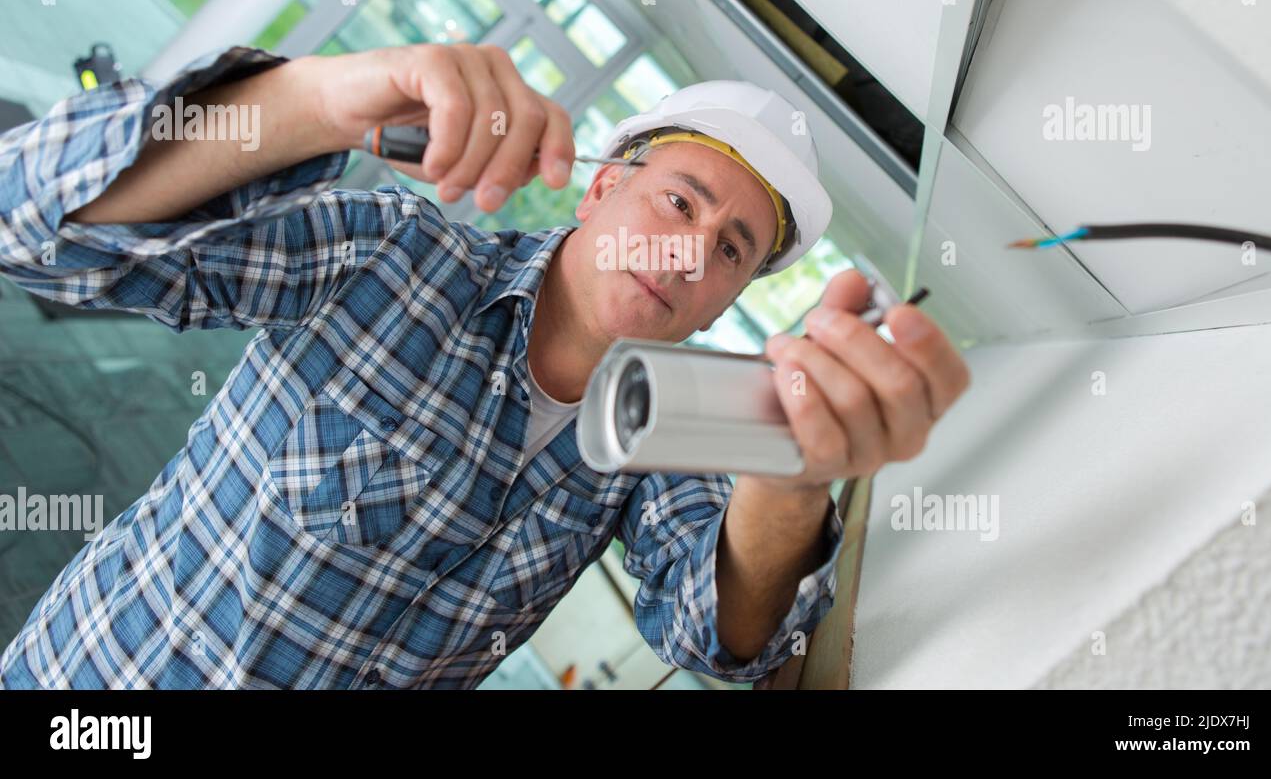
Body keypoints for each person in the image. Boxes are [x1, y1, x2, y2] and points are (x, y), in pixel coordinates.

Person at [0, 42, 970, 688]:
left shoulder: (676, 437)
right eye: (679, 203)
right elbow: (40, 231)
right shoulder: (389, 258)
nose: (689, 252)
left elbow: (722, 640)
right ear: (600, 187)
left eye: (730, 249)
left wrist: (790, 479)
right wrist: (315, 101)